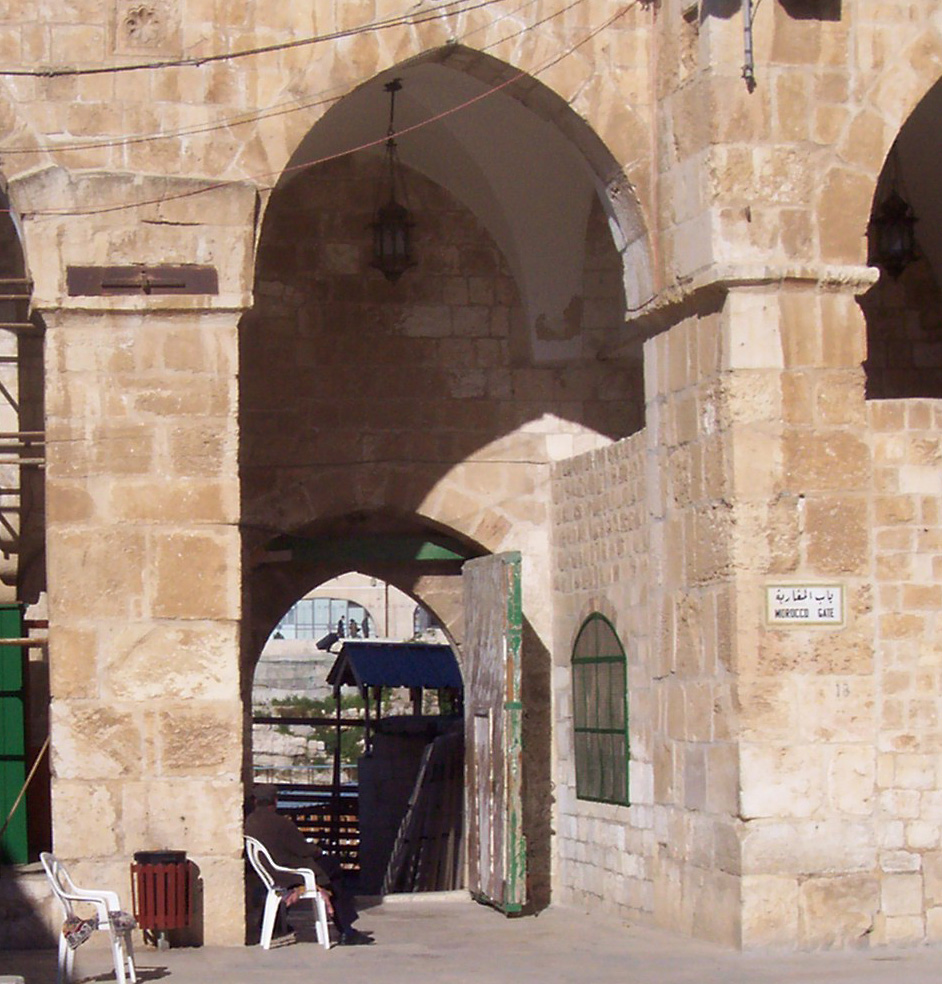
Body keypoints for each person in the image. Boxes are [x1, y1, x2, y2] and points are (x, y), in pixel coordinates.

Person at [245, 786, 373, 946]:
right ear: (275, 801)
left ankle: (276, 922)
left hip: (272, 872)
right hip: (290, 872)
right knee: (333, 869)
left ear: (255, 801)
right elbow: (303, 849)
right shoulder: (281, 823)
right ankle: (345, 928)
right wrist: (319, 850)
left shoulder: (250, 822)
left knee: (329, 870)